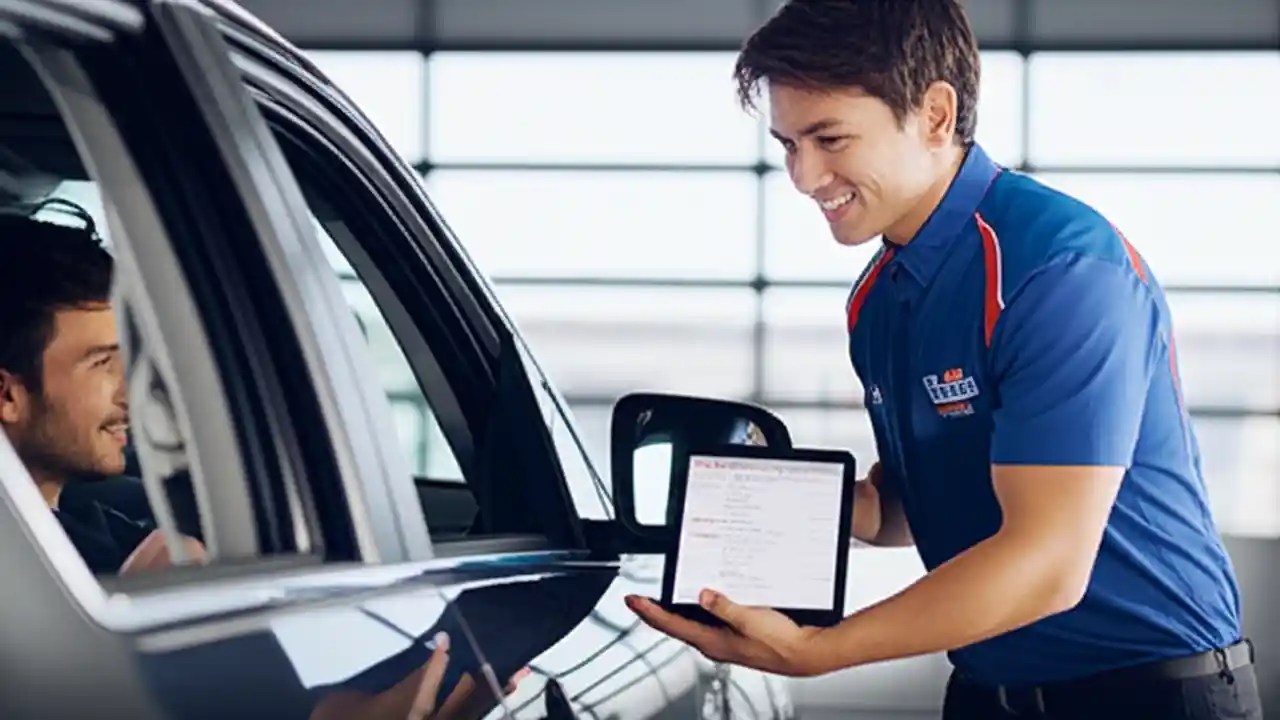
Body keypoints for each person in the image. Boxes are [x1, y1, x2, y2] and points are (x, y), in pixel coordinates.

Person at [624, 2, 1261, 718]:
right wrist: (747, 497)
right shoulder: (877, 299)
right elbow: (906, 507)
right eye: (788, 144)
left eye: (829, 138)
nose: (803, 176)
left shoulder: (1057, 270)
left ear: (934, 114)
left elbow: (1049, 565)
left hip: (1148, 692)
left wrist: (822, 651)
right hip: (987, 689)